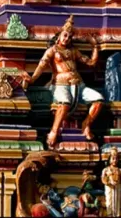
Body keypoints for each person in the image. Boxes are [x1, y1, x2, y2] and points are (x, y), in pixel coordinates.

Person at [26, 15, 104, 147]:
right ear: (59, 35)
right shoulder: (52, 50)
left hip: (79, 85)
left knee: (99, 100)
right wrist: (32, 78)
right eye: (65, 35)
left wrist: (94, 46)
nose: (67, 39)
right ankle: (54, 131)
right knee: (64, 103)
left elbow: (91, 63)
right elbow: (42, 65)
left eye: (69, 37)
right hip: (61, 84)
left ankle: (86, 124)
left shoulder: (73, 51)